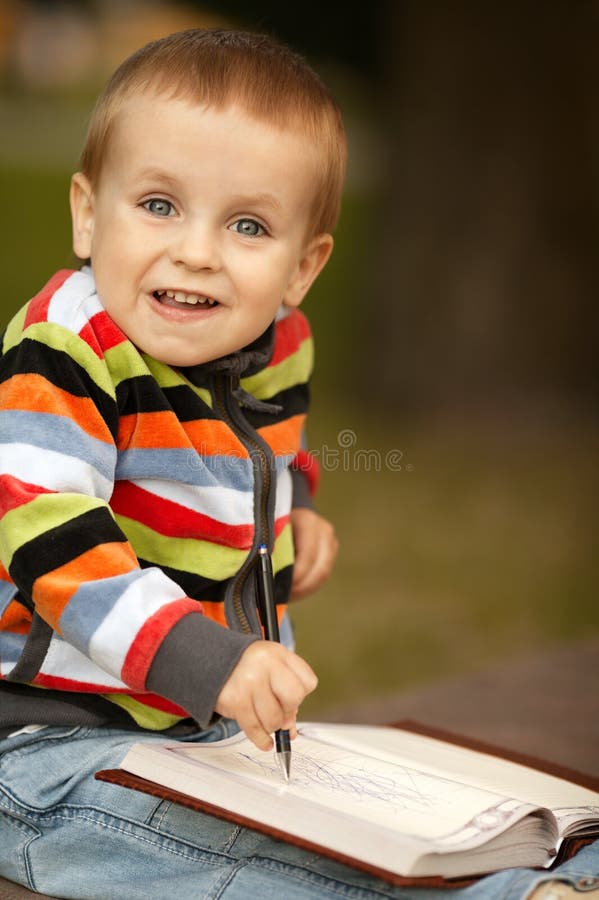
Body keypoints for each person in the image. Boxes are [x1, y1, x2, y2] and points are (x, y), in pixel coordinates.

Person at [1, 25, 598, 900]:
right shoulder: (65, 351)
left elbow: (264, 449)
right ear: (88, 214)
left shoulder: (271, 342)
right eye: (158, 205)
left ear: (302, 267)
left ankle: (555, 861)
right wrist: (216, 661)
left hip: (200, 734)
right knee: (190, 852)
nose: (197, 251)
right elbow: (49, 538)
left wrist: (292, 516)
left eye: (247, 224)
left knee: (359, 822)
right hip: (46, 746)